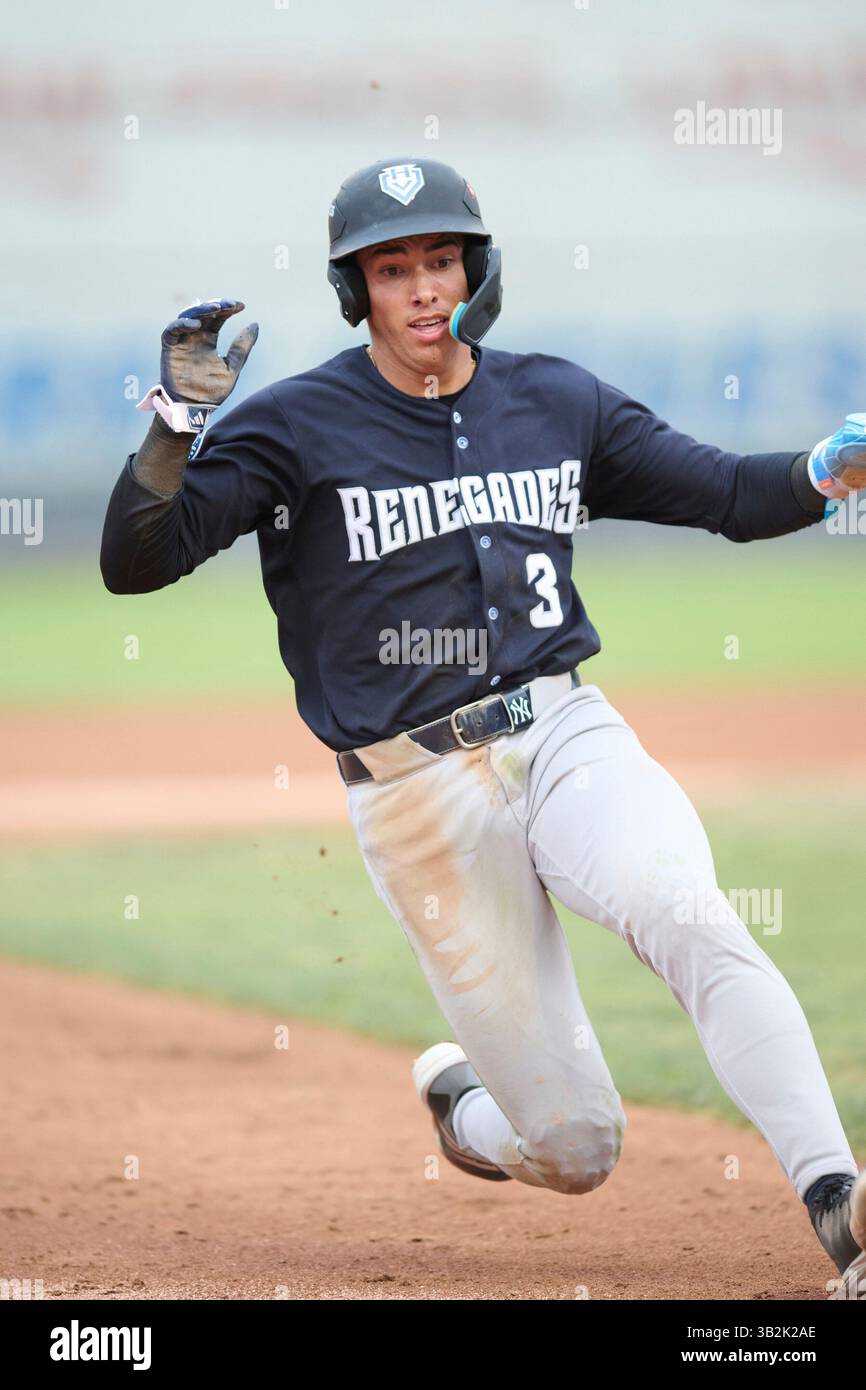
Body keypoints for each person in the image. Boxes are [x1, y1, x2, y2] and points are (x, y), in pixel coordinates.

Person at [100, 156, 866, 1299]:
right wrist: (175, 430)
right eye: (391, 267)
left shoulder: (555, 401)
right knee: (575, 1149)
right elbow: (134, 561)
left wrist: (821, 473)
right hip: (413, 801)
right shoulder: (294, 426)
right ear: (356, 289)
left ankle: (837, 1208)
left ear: (476, 268)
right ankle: (469, 1109)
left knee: (682, 908)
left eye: (440, 259)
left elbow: (722, 494)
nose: (420, 288)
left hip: (562, 734)